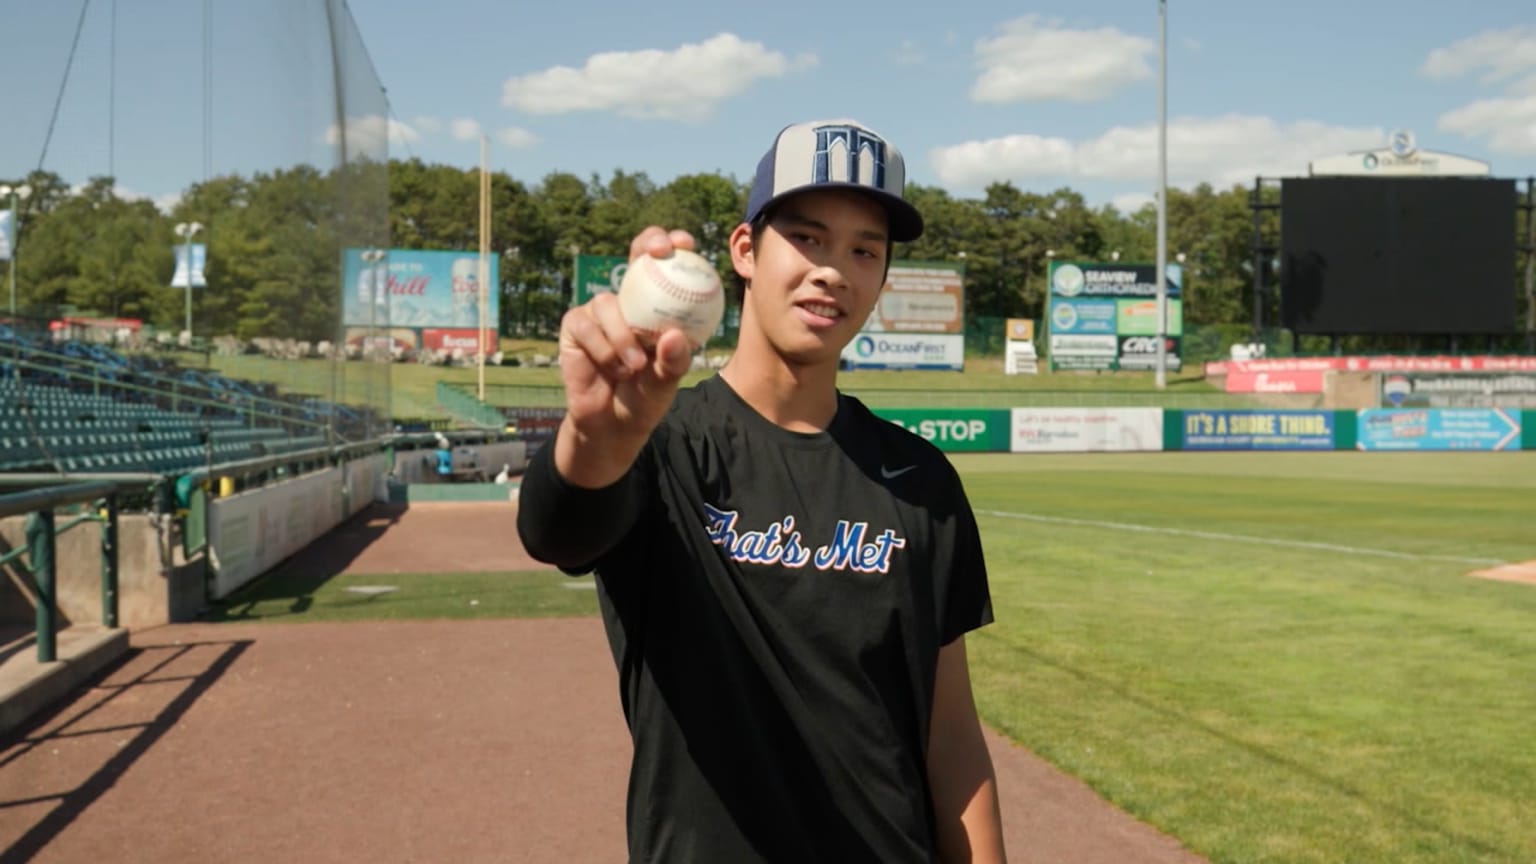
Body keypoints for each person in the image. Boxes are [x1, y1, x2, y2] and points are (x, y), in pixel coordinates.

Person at [517, 119, 1006, 863]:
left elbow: (952, 736)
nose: (834, 269)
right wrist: (596, 436)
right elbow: (558, 532)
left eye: (863, 250)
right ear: (746, 251)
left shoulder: (921, 481)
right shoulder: (664, 443)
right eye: (808, 239)